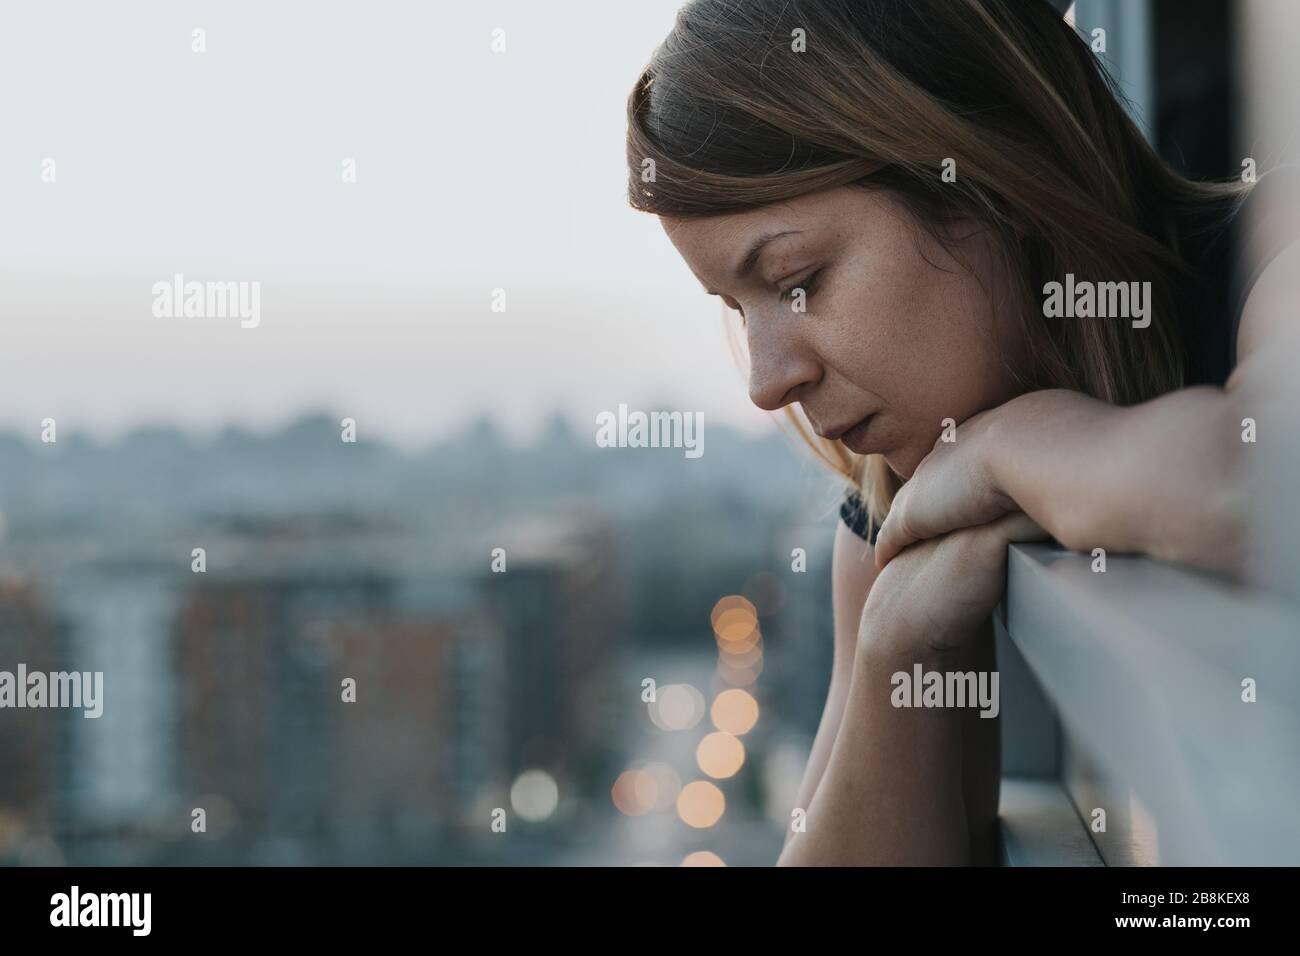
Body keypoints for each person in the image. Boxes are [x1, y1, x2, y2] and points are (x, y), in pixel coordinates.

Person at [625, 0, 1300, 864]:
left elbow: (1259, 486)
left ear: (991, 184)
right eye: (736, 309)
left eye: (797, 281)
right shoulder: (894, 505)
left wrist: (1012, 445)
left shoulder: (1271, 257)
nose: (766, 383)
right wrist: (897, 646)